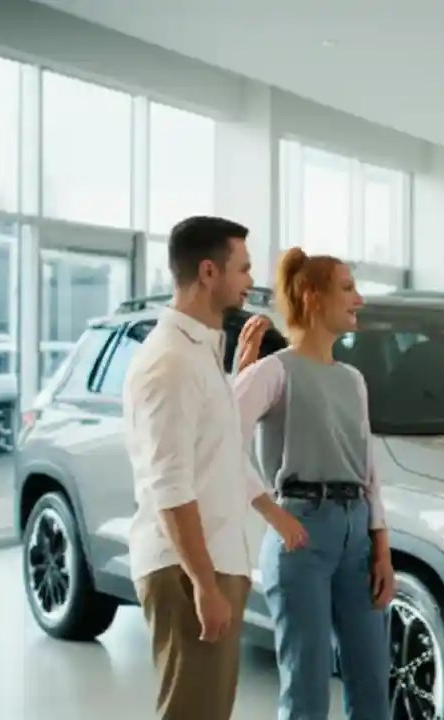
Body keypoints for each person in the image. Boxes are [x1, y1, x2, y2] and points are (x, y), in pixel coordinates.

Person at [123, 216, 309, 720]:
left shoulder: (198, 353)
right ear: (209, 271)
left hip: (212, 561)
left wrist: (235, 377)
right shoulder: (172, 362)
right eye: (243, 267)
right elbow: (171, 488)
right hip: (188, 570)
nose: (251, 280)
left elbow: (214, 451)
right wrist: (204, 585)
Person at [232, 247, 395, 720]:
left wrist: (380, 546)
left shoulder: (353, 379)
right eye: (347, 288)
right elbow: (218, 441)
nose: (359, 299)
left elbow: (368, 470)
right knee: (307, 690)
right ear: (312, 296)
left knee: (372, 686)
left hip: (357, 539)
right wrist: (272, 512)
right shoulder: (274, 370)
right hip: (300, 535)